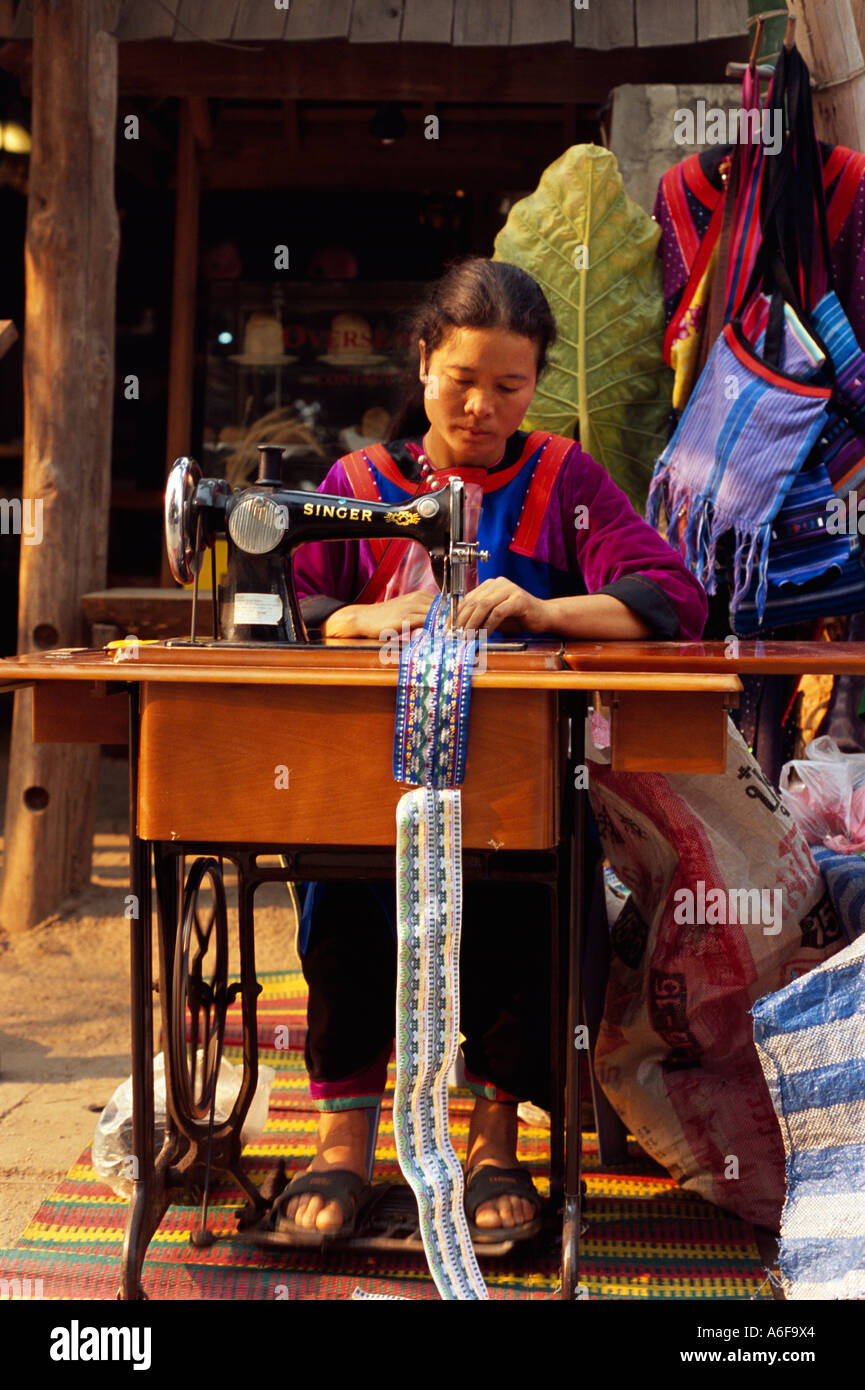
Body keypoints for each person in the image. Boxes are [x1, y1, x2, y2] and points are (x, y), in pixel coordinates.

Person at [281, 257, 708, 1243]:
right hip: (370, 773)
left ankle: (491, 1139)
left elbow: (670, 595)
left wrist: (543, 604)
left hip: (516, 776)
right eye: (461, 379)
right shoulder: (358, 484)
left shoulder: (563, 479)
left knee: (528, 900)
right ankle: (344, 1143)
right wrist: (365, 617)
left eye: (509, 386)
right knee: (345, 898)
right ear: (422, 361)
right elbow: (294, 609)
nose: (480, 407)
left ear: (536, 383)